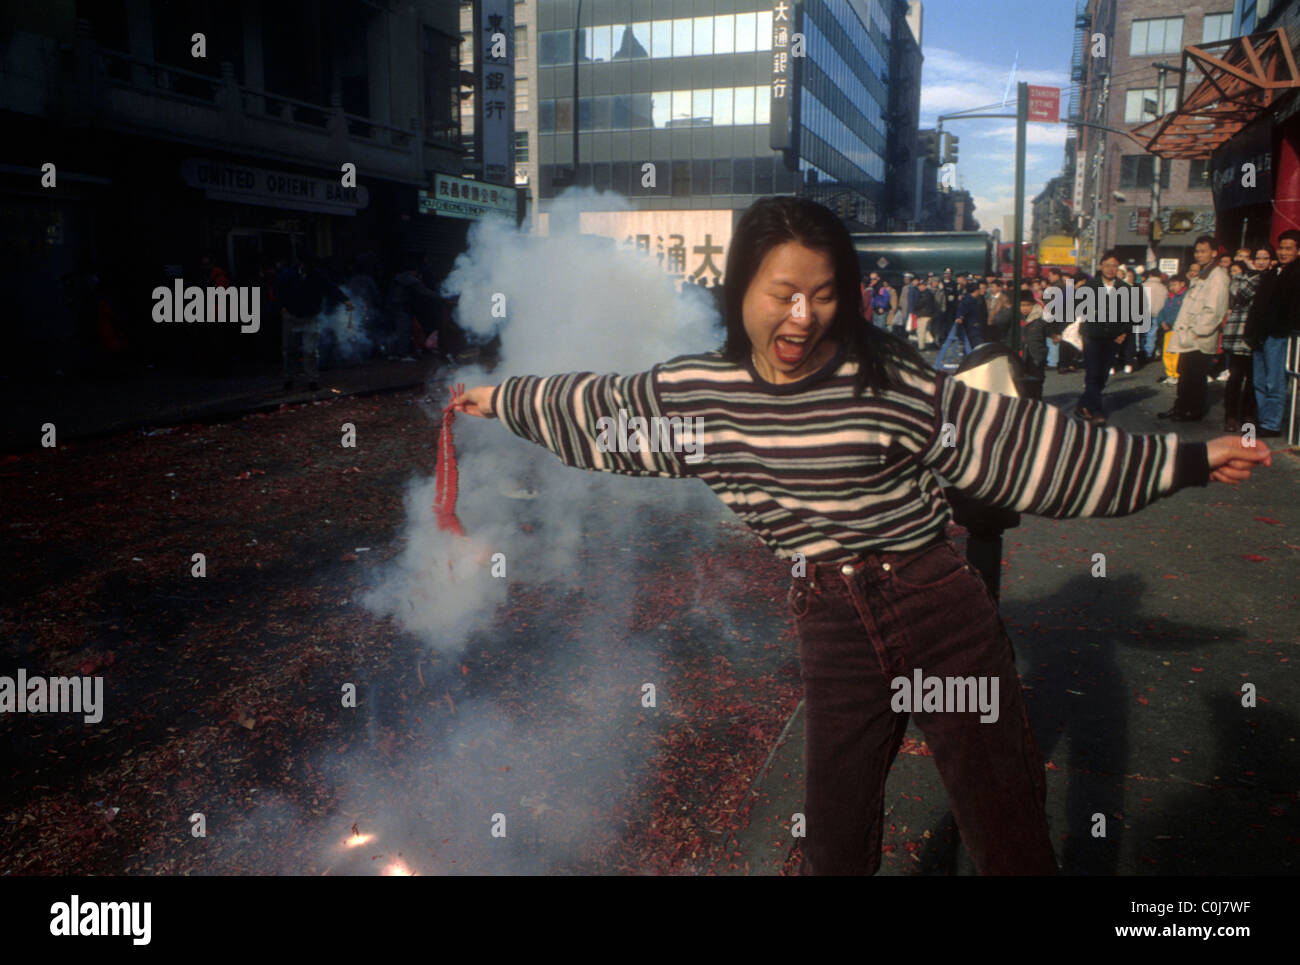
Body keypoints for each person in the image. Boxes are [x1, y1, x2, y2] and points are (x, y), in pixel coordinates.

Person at [449, 195, 1271, 876]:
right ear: (741, 289)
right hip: (833, 624)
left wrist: (1188, 462)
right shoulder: (700, 395)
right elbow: (600, 408)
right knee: (834, 844)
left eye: (826, 291)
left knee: (1006, 833)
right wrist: (503, 398)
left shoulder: (889, 378)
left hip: (939, 608)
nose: (804, 316)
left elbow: (1027, 449)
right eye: (782, 292)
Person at [1161, 236, 1229, 423]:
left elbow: (1214, 310)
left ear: (1214, 253)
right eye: (1197, 251)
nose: (1199, 255)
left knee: (1195, 376)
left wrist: (1196, 332)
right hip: (1188, 334)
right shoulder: (1203, 274)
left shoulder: (1218, 276)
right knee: (1185, 372)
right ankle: (1181, 407)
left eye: (1203, 251)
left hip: (1199, 336)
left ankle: (1192, 411)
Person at [1245, 228, 1300, 438]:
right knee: (1259, 380)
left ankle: (1272, 423)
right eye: (1281, 248)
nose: (1283, 252)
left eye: (1289, 248)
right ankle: (1263, 419)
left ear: (1298, 251)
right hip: (1259, 335)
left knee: (1274, 381)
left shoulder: (1296, 273)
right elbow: (1257, 306)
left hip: (1278, 335)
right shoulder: (1270, 274)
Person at [277, 251, 352, 391]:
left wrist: (345, 300)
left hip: (310, 316)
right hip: (292, 315)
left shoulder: (318, 275)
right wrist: (282, 306)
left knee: (310, 350)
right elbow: (280, 290)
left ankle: (312, 380)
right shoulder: (289, 275)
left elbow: (331, 289)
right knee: (290, 350)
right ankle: (289, 379)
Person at [1074, 251, 1134, 426]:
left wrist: (1124, 333)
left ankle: (1082, 404)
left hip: (1112, 338)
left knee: (1103, 375)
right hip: (1092, 336)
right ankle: (1096, 411)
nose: (1110, 269)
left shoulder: (1125, 288)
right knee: (1092, 373)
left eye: (1114, 266)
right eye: (1107, 265)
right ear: (1101, 266)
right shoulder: (1089, 286)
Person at [1220, 246, 1268, 432]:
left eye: (1265, 258)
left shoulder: (1271, 277)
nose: (1261, 262)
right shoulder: (1241, 277)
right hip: (1240, 333)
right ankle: (1231, 415)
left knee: (1253, 378)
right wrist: (1255, 274)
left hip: (1259, 333)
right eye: (1258, 258)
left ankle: (1248, 414)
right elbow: (1239, 296)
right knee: (1236, 376)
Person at [1154, 274, 1187, 386]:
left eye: (1174, 284)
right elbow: (1162, 310)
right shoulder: (1170, 296)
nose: (1172, 287)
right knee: (1167, 352)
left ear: (1182, 284)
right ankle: (1170, 374)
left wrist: (1168, 323)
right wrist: (1161, 321)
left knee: (1176, 353)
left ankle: (1176, 375)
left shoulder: (1185, 296)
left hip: (1177, 329)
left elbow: (1180, 313)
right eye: (1170, 284)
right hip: (1167, 330)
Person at [1017, 290, 1048, 401]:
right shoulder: (1014, 317)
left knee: (1036, 383)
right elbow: (998, 321)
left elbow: (1050, 331)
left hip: (1036, 356)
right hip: (1019, 356)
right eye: (1021, 305)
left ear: (1033, 305)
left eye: (1028, 305)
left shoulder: (1041, 318)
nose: (1025, 308)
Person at [1141, 270, 1168, 364]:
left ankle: (1140, 352)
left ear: (1150, 274)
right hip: (1158, 313)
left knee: (1142, 334)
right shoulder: (1163, 287)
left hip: (1144, 312)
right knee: (1152, 334)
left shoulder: (1143, 285)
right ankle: (1149, 353)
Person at [985, 278, 1013, 344]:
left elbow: (1008, 310)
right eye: (990, 287)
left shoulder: (1004, 298)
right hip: (989, 324)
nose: (991, 288)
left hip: (998, 325)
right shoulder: (988, 298)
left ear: (999, 288)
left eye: (993, 287)